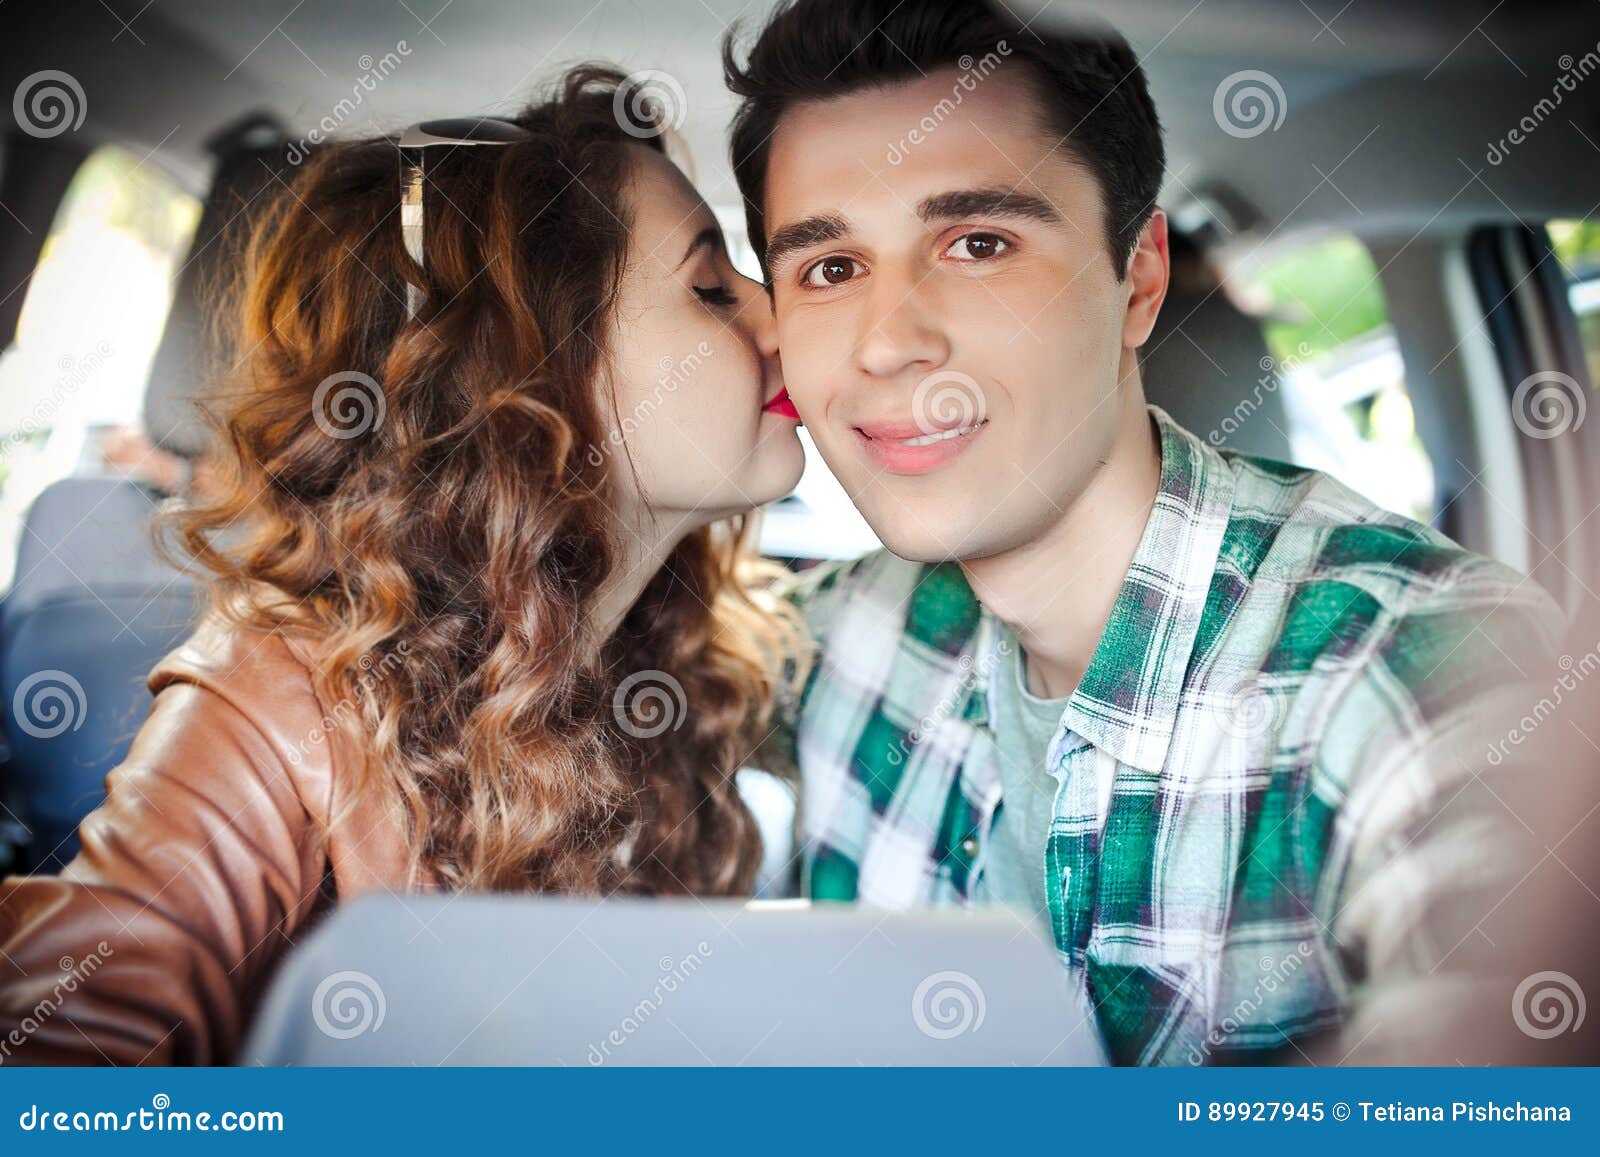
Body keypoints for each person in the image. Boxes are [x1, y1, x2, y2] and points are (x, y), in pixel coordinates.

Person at [725, 0, 1565, 1064]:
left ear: (1138, 278)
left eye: (977, 243)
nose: (888, 344)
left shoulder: (1413, 668)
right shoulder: (841, 630)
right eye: (830, 268)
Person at [0, 65, 806, 1065]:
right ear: (529, 373)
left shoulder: (671, 658)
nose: (783, 319)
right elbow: (51, 1092)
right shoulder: (276, 706)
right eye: (710, 286)